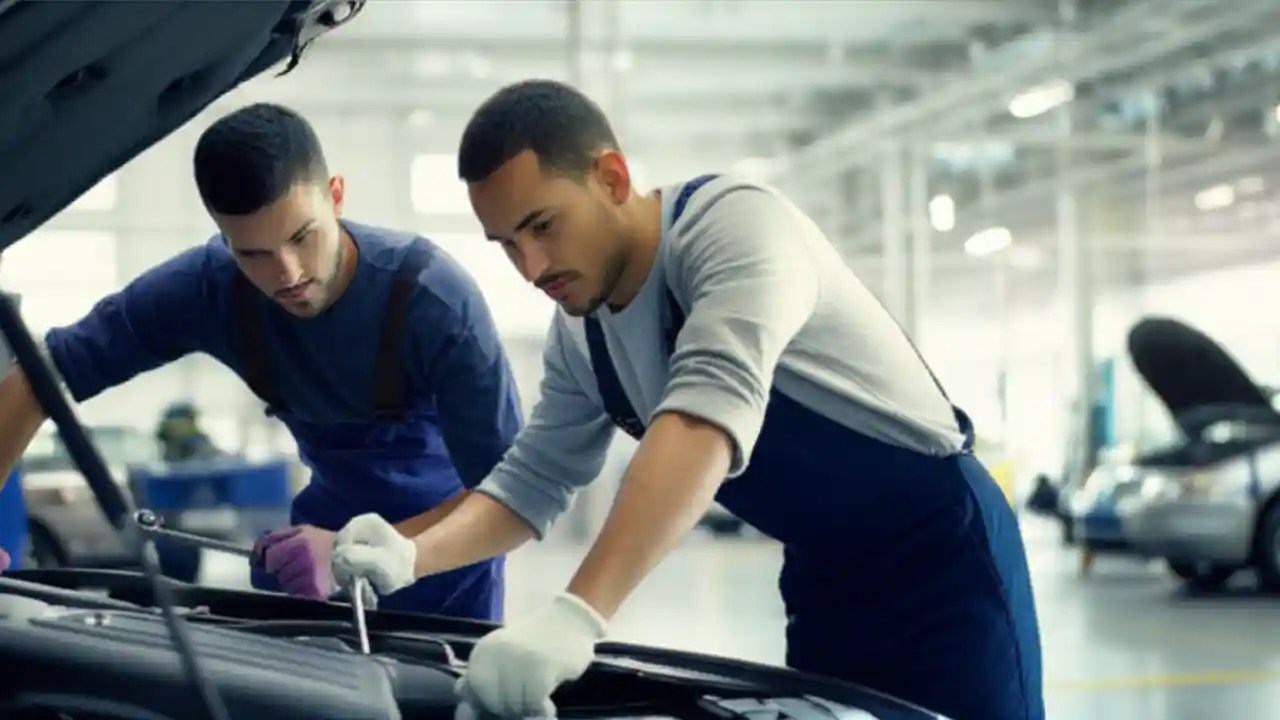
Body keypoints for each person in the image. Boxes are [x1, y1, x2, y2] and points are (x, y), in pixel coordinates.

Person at [329, 79, 1045, 720]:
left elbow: (705, 416)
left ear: (611, 177)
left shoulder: (732, 227)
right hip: (826, 580)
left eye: (543, 226)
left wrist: (577, 615)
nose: (531, 267)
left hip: (946, 560)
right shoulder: (581, 335)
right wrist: (412, 552)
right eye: (507, 244)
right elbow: (532, 481)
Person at [0, 102, 524, 620]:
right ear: (225, 238)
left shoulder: (433, 299)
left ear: (335, 196)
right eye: (253, 253)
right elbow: (36, 381)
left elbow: (511, 491)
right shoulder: (208, 288)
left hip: (446, 562)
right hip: (314, 560)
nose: (287, 273)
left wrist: (369, 550)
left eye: (302, 236)